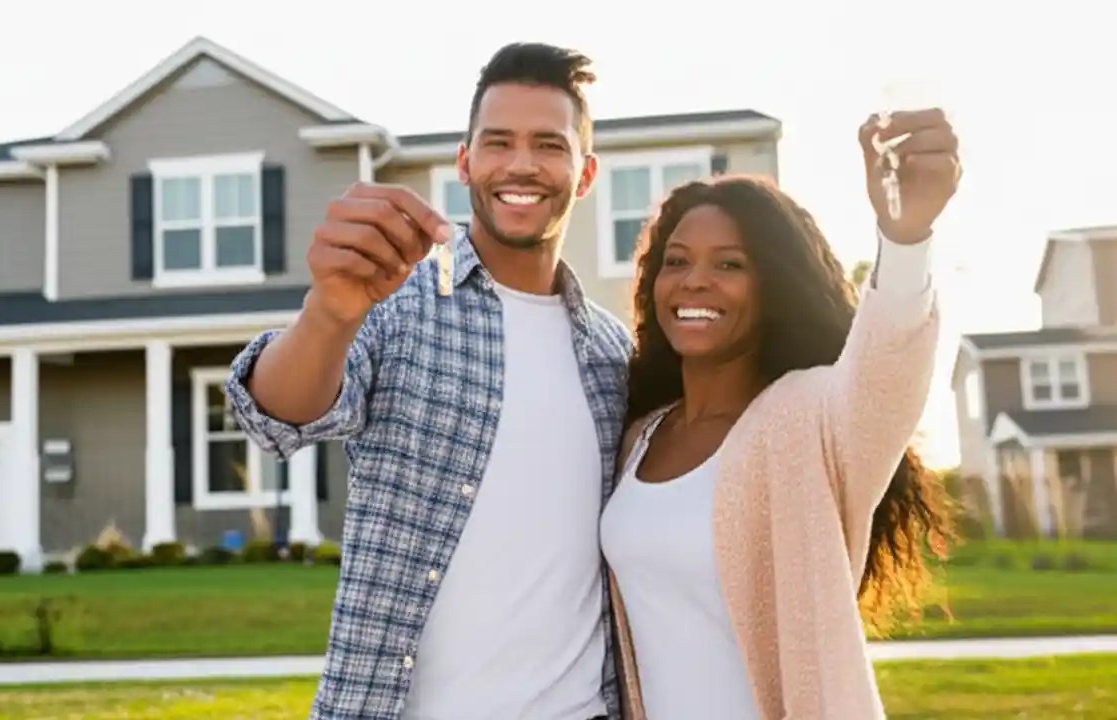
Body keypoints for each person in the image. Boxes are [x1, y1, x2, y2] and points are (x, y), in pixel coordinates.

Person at [224, 42, 631, 719]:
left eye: (549, 145)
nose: (522, 164)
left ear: (584, 174)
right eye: (498, 142)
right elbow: (274, 416)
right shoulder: (395, 303)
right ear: (465, 160)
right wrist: (328, 311)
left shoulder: (613, 355)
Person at [599, 110, 961, 719]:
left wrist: (904, 240)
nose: (695, 282)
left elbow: (886, 372)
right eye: (677, 261)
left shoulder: (806, 419)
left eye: (730, 265)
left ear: (773, 288)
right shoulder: (639, 437)